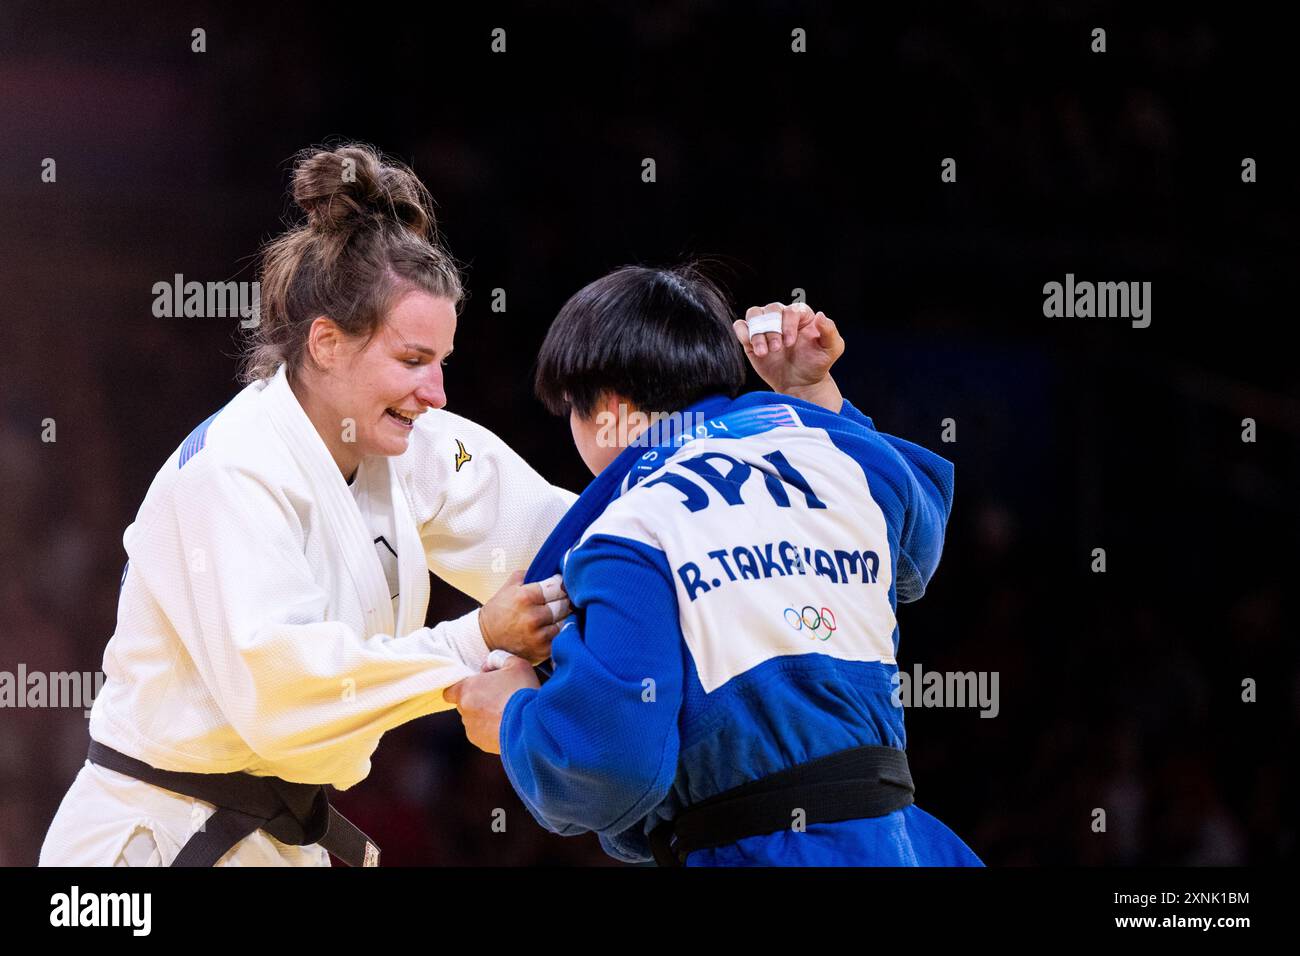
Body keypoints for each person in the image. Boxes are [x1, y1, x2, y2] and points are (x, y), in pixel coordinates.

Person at [38, 144, 577, 867]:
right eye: (413, 361)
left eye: (442, 362)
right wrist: (475, 639)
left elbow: (569, 540)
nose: (437, 393)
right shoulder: (235, 470)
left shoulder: (418, 445)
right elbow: (284, 699)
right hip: (150, 840)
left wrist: (730, 459)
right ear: (326, 343)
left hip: (280, 835)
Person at [447, 264, 984, 866]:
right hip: (900, 841)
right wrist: (817, 399)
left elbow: (613, 766)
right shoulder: (833, 451)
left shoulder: (631, 529)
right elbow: (918, 546)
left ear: (606, 406)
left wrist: (515, 719)